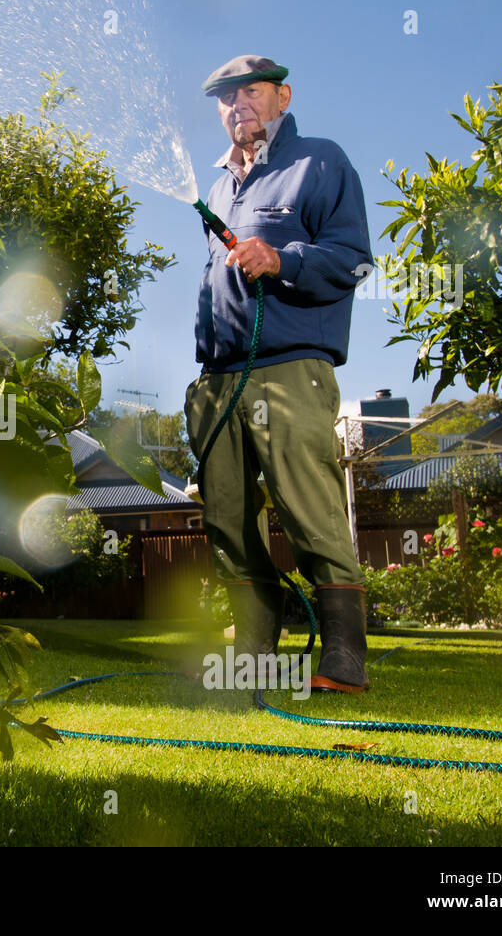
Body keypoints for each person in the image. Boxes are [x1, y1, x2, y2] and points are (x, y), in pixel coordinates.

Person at [184, 54, 373, 693]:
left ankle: (345, 655)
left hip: (290, 368)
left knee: (309, 507)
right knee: (227, 521)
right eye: (226, 96)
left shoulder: (320, 162)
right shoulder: (215, 189)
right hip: (219, 377)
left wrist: (284, 258)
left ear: (283, 97)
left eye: (252, 91)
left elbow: (353, 261)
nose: (238, 103)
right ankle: (256, 651)